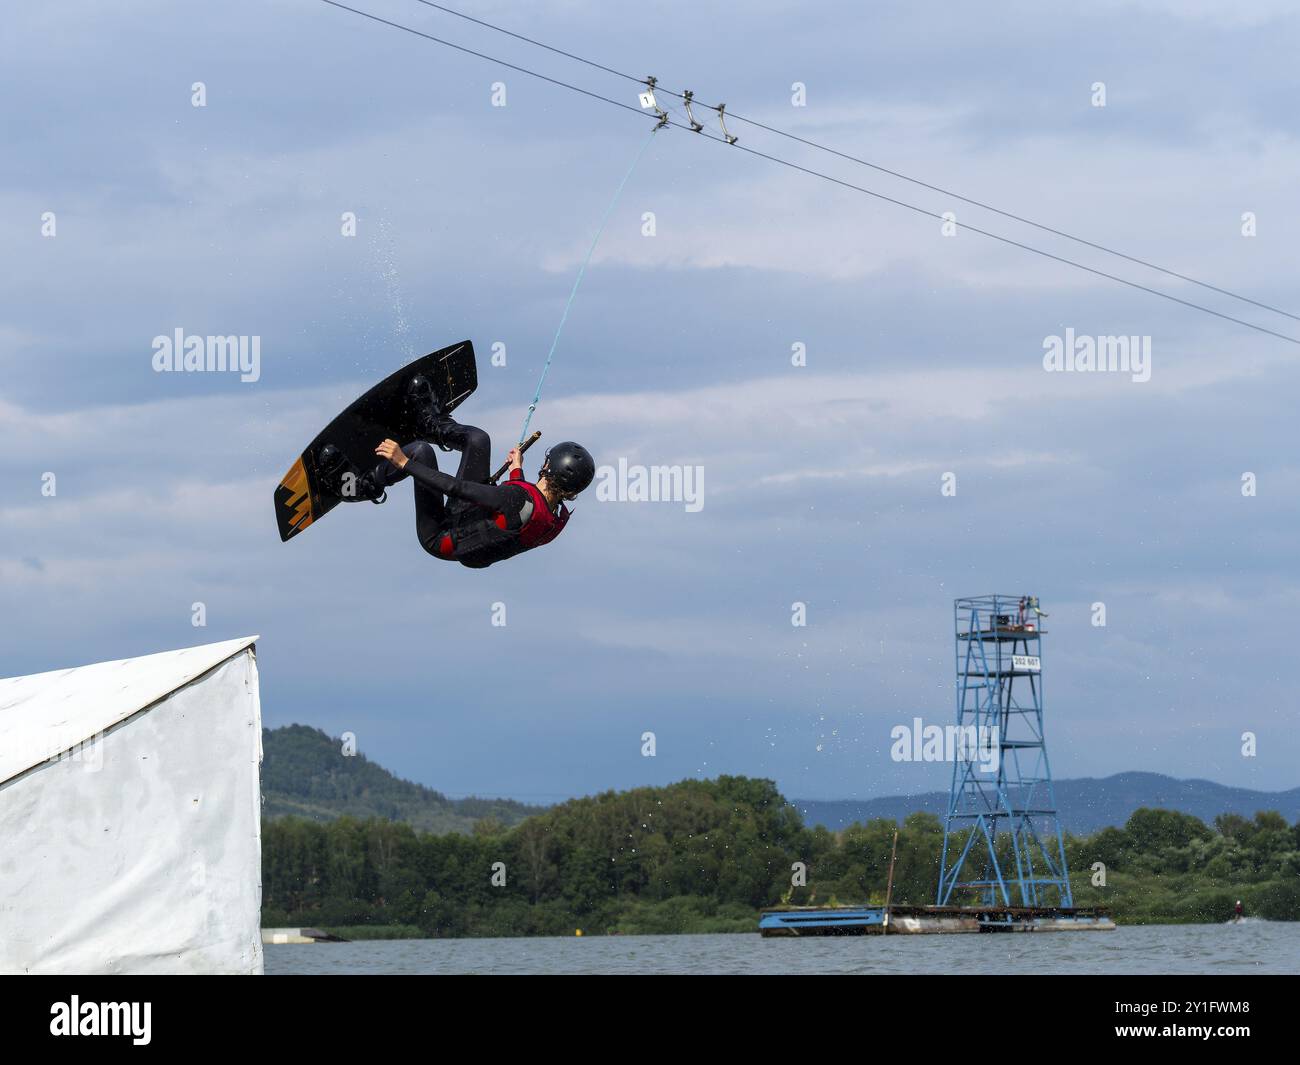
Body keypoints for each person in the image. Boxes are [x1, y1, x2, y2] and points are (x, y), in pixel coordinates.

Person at [330, 375, 594, 569]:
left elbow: (457, 489)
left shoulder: (515, 500)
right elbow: (522, 511)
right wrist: (516, 470)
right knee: (479, 440)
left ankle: (360, 487)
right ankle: (429, 424)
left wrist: (403, 463)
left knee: (420, 453)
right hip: (469, 518)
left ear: (547, 467)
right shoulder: (551, 516)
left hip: (442, 536)